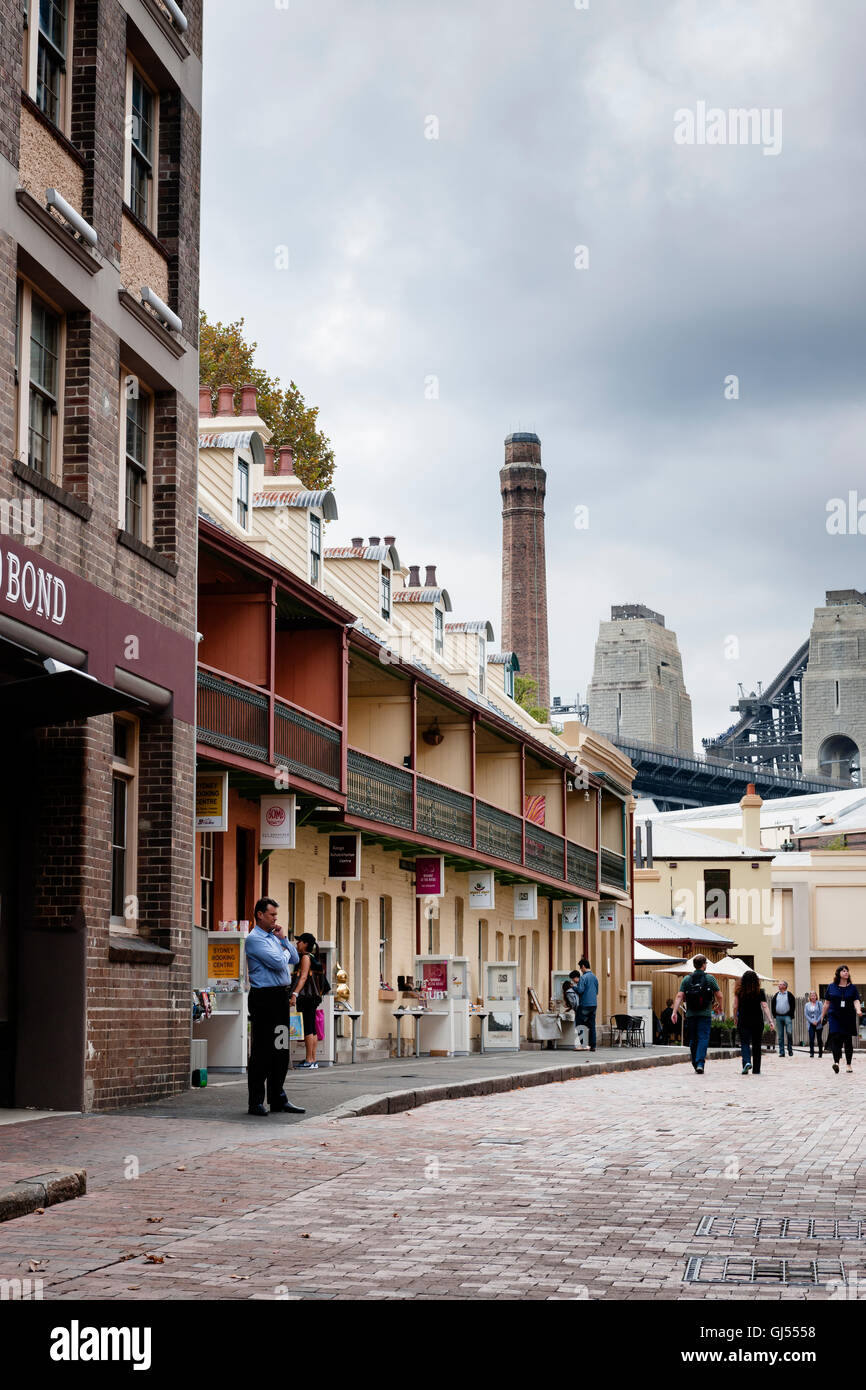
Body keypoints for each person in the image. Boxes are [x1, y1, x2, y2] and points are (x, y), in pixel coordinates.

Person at [243, 897, 305, 1116]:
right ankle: (256, 1102)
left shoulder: (275, 937)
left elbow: (295, 957)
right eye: (272, 915)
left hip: (280, 997)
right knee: (262, 1050)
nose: (275, 919)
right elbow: (280, 962)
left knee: (280, 1048)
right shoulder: (254, 939)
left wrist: (284, 940)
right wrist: (284, 953)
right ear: (260, 914)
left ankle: (278, 1097)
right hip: (264, 998)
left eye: (276, 915)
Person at [670, 955, 723, 1075]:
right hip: (705, 1014)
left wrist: (674, 1012)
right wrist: (720, 1007)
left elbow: (679, 996)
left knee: (693, 1039)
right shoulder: (710, 978)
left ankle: (695, 1062)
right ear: (704, 965)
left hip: (691, 1014)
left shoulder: (686, 979)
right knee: (703, 1038)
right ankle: (700, 1063)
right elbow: (719, 995)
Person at [821, 965, 862, 1074]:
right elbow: (827, 1003)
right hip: (834, 1015)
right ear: (838, 973)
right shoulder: (831, 986)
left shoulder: (852, 988)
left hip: (848, 1016)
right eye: (843, 971)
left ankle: (848, 1064)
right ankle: (836, 1063)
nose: (846, 972)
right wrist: (822, 1016)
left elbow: (856, 1000)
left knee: (848, 1040)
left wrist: (858, 1010)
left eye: (847, 971)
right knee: (836, 1037)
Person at [291, 932, 323, 1069]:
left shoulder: (305, 957)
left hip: (306, 996)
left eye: (299, 942)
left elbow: (303, 977)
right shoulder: (313, 957)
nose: (297, 944)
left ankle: (309, 1060)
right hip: (314, 996)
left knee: (308, 1027)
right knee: (313, 1028)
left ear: (305, 944)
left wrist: (294, 994)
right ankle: (313, 1059)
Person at [733, 970, 772, 1075]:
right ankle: (756, 1069)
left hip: (743, 1020)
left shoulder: (739, 991)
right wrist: (770, 1020)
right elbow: (764, 1006)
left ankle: (746, 1062)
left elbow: (735, 1005)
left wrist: (735, 1018)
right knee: (757, 1045)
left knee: (744, 1043)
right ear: (756, 980)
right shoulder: (760, 991)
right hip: (757, 1021)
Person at [575, 957, 599, 1052]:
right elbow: (596, 991)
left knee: (580, 1024)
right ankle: (593, 1046)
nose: (580, 970)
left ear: (583, 966)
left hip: (585, 1004)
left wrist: (574, 987)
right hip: (593, 1004)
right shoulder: (595, 977)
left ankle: (584, 1045)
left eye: (581, 968)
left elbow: (580, 990)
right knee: (592, 1025)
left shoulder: (583, 977)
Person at [771, 980, 795, 1057]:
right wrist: (774, 1014)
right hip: (778, 1016)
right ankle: (782, 1052)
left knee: (789, 1032)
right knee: (780, 1035)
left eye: (780, 984)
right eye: (779, 984)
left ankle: (790, 1048)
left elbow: (793, 1005)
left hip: (787, 1016)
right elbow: (773, 1004)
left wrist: (791, 1014)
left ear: (785, 986)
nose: (779, 986)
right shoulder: (776, 995)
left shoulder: (789, 994)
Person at [805, 991, 824, 1058]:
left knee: (819, 1039)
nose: (813, 997)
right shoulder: (807, 1005)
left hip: (818, 1024)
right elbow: (806, 1015)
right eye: (811, 996)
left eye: (814, 995)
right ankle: (811, 1053)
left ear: (816, 996)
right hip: (810, 1024)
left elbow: (822, 1013)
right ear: (810, 997)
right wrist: (812, 1021)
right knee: (811, 1039)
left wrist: (817, 1021)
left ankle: (820, 1053)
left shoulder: (820, 1003)